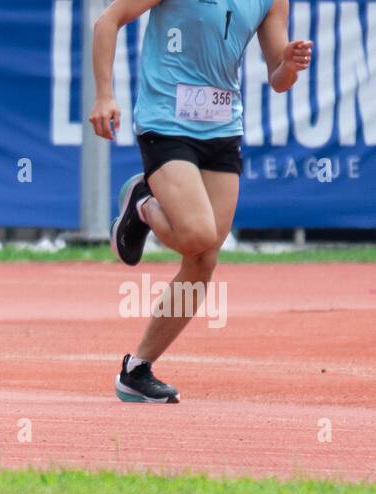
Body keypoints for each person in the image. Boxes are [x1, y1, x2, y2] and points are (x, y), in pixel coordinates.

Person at [90, 0, 312, 403]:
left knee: (204, 257)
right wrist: (105, 96)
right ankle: (143, 201)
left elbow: (277, 77)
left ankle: (136, 371)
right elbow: (108, 21)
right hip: (166, 120)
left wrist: (290, 65)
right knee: (196, 234)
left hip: (222, 127)